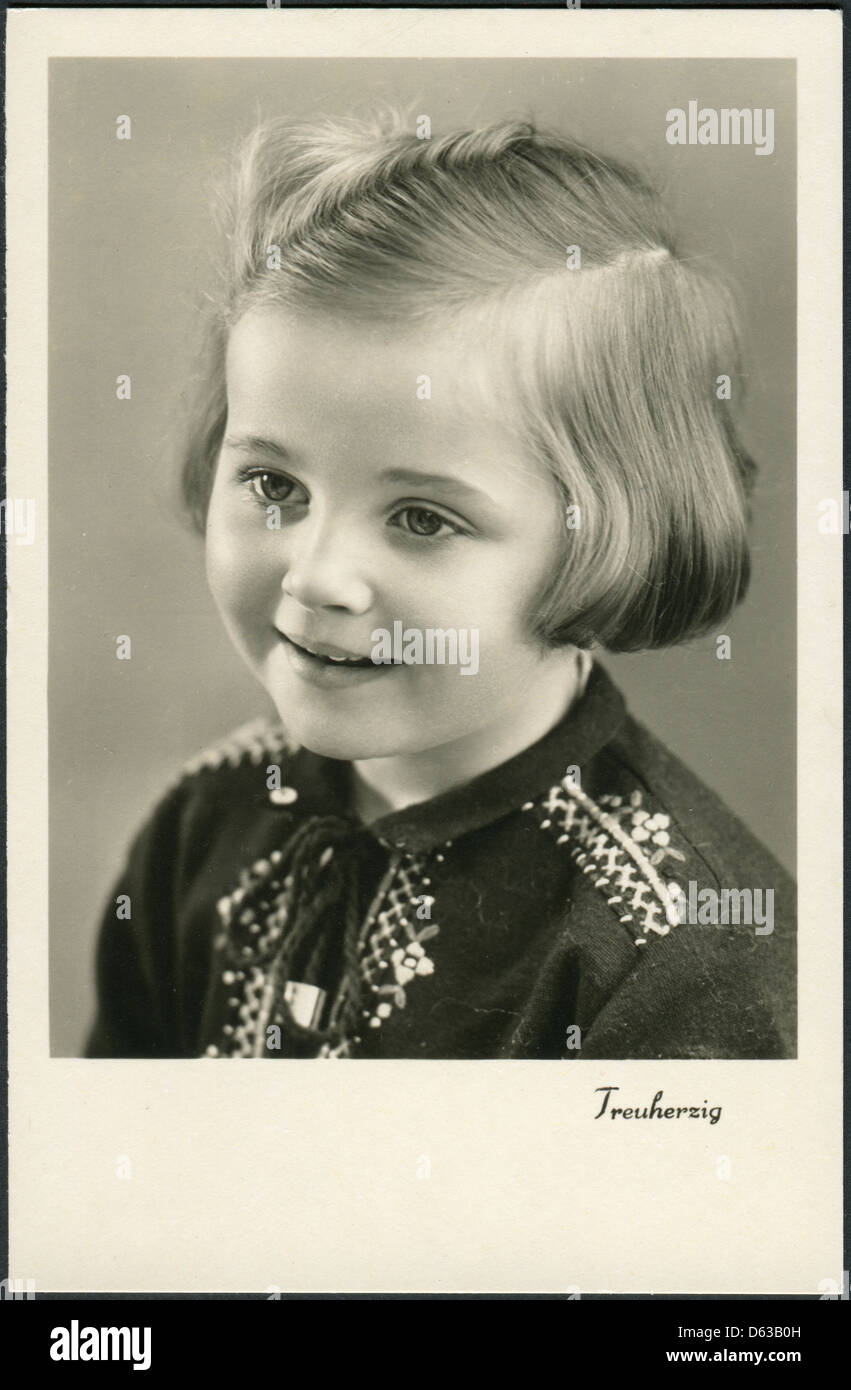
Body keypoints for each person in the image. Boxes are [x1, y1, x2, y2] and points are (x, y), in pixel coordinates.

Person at [85, 112, 795, 1061]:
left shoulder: (680, 960)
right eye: (273, 486)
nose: (316, 575)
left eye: (423, 519)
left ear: (608, 535)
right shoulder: (203, 821)